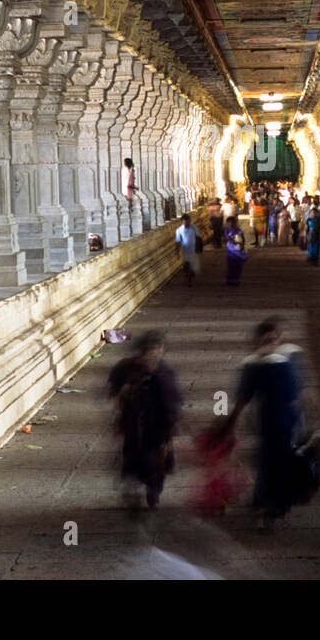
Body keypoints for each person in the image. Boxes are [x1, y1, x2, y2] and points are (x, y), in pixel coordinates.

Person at [223, 317, 307, 529]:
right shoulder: (255, 366)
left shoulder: (288, 359)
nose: (274, 342)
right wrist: (232, 424)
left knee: (281, 462)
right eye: (269, 338)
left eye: (276, 337)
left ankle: (273, 505)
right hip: (269, 422)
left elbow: (298, 394)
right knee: (269, 463)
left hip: (287, 421)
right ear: (259, 341)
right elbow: (244, 397)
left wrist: (305, 421)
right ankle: (266, 507)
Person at [107, 331, 182, 510]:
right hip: (134, 423)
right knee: (132, 457)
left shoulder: (165, 373)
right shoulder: (127, 370)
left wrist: (173, 424)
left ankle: (153, 492)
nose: (154, 354)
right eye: (149, 351)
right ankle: (133, 488)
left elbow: (173, 400)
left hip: (159, 425)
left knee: (157, 462)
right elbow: (115, 393)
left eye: (158, 350)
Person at [175, 214, 200, 287]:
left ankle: (190, 277)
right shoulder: (179, 230)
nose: (187, 223)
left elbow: (198, 237)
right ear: (182, 222)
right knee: (187, 265)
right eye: (185, 221)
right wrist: (177, 251)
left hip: (193, 249)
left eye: (188, 221)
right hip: (185, 250)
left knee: (192, 266)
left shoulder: (194, 228)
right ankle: (188, 278)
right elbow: (178, 241)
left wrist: (198, 248)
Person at [223, 215, 247, 286]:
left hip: (237, 251)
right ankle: (230, 280)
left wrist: (242, 245)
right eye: (228, 223)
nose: (230, 224)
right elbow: (227, 239)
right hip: (230, 251)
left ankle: (236, 280)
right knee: (230, 265)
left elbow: (243, 239)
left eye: (232, 223)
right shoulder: (227, 231)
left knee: (237, 266)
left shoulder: (238, 230)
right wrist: (235, 242)